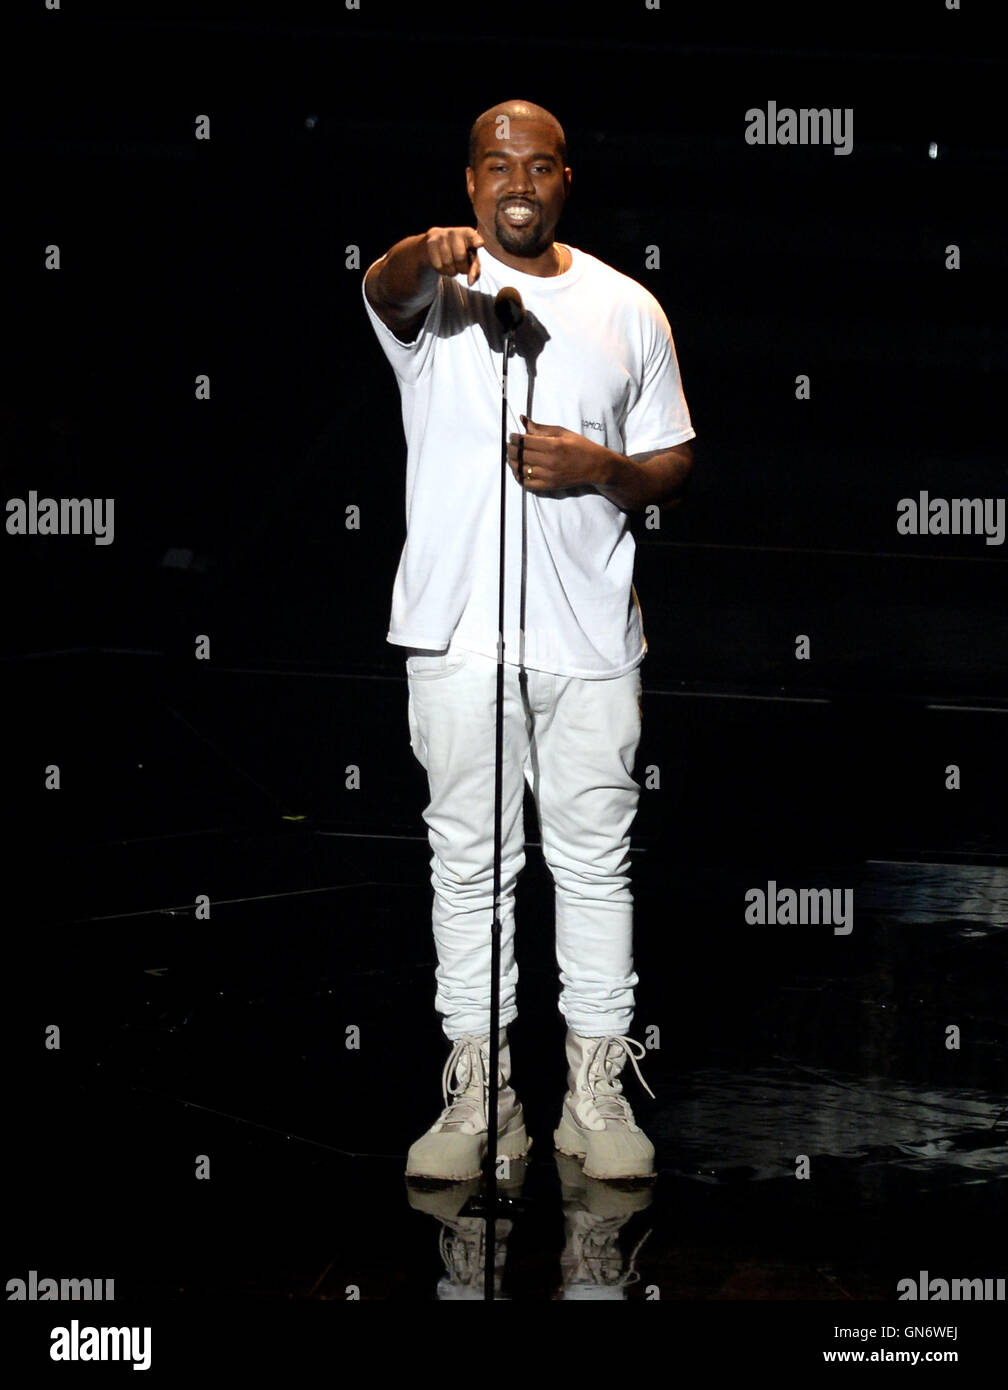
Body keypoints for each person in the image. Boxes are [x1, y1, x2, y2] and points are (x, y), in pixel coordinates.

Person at [361, 99, 695, 1184]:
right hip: (456, 633)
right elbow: (384, 286)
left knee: (597, 867)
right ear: (468, 183)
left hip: (592, 639)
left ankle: (594, 1091)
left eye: (538, 165)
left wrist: (603, 468)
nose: (517, 181)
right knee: (470, 865)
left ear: (564, 181)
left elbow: (673, 461)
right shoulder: (435, 295)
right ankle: (481, 1093)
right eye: (496, 164)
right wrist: (421, 251)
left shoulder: (627, 307)